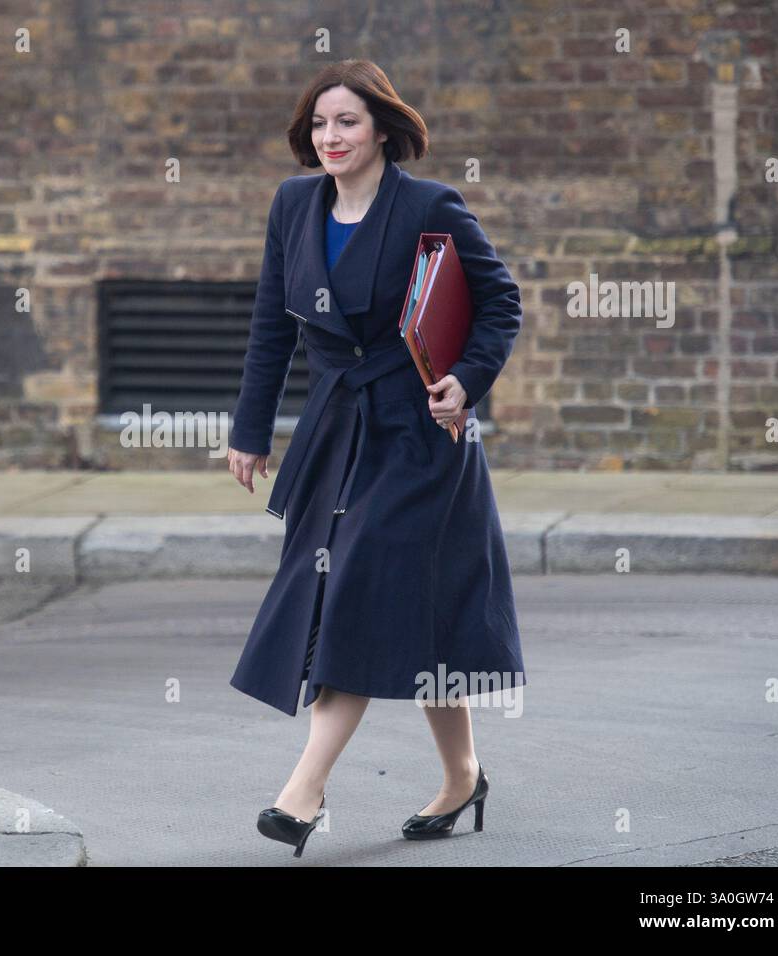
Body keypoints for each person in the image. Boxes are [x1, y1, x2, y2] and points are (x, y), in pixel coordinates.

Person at [226, 59, 526, 857]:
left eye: (347, 122)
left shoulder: (430, 205)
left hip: (420, 438)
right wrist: (250, 430)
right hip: (336, 436)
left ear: (383, 129)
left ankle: (301, 793)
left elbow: (501, 302)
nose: (331, 137)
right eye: (320, 124)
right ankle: (464, 776)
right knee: (421, 619)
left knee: (352, 594)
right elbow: (270, 327)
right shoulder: (294, 205)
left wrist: (466, 380)